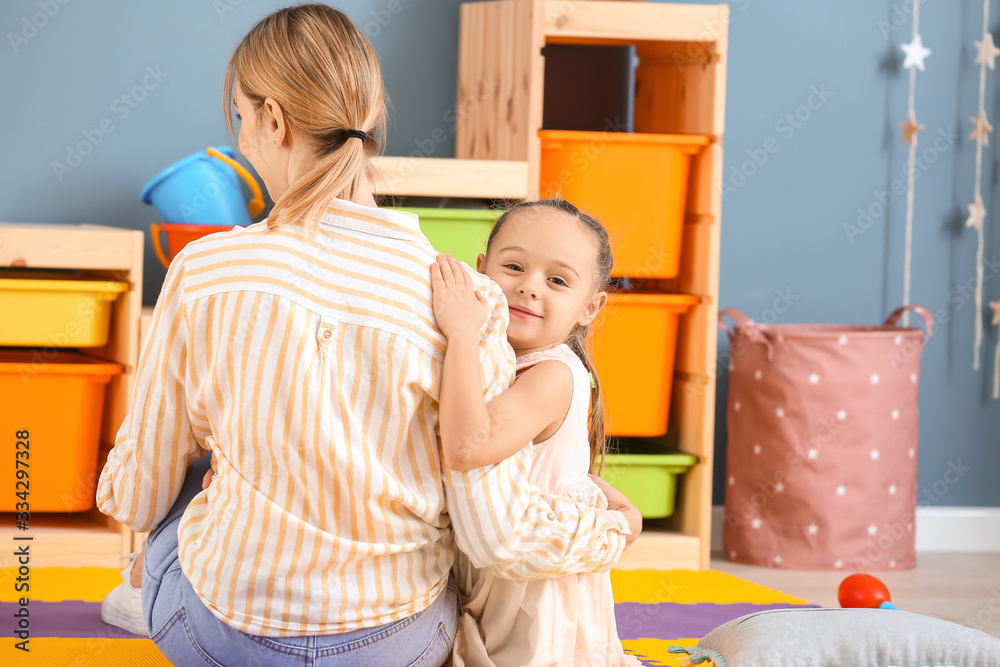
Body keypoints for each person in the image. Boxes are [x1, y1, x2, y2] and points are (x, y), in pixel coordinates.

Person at [96, 5, 641, 666]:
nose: (244, 139)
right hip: (395, 647)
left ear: (273, 120)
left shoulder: (204, 269)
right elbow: (490, 528)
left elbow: (135, 496)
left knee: (186, 466)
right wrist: (613, 524)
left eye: (241, 119)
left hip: (219, 637)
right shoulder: (461, 301)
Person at [430, 200, 643, 666]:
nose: (528, 287)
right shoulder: (500, 360)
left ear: (590, 306)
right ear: (482, 270)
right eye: (513, 266)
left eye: (557, 280)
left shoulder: (551, 374)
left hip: (535, 587)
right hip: (493, 572)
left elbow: (469, 447)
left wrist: (462, 334)